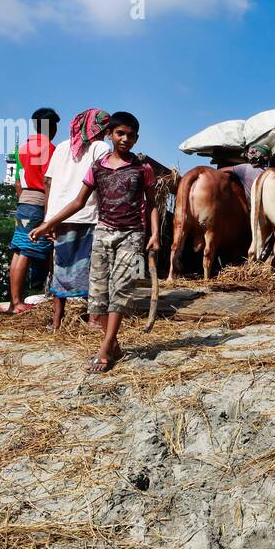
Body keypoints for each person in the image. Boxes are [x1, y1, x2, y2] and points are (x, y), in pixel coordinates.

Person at [32, 112, 158, 372]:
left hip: (131, 235)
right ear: (110, 134)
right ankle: (114, 344)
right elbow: (79, 202)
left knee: (121, 288)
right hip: (102, 233)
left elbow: (152, 205)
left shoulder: (141, 168)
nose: (125, 139)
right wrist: (48, 223)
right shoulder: (98, 167)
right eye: (120, 133)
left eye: (130, 135)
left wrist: (154, 234)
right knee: (99, 293)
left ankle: (105, 349)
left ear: (136, 138)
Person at [43, 109, 111, 331]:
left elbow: (47, 182)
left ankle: (56, 321)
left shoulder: (62, 147)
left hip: (58, 215)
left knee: (60, 266)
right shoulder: (100, 148)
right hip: (87, 215)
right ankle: (93, 319)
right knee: (93, 268)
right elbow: (104, 181)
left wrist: (48, 219)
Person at [8, 107, 60, 312]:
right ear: (52, 127)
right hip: (40, 202)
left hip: (23, 202)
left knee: (19, 249)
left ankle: (14, 301)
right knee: (27, 252)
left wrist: (23, 200)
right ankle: (18, 303)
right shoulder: (50, 149)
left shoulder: (20, 149)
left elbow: (16, 182)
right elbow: (48, 182)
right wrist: (49, 214)